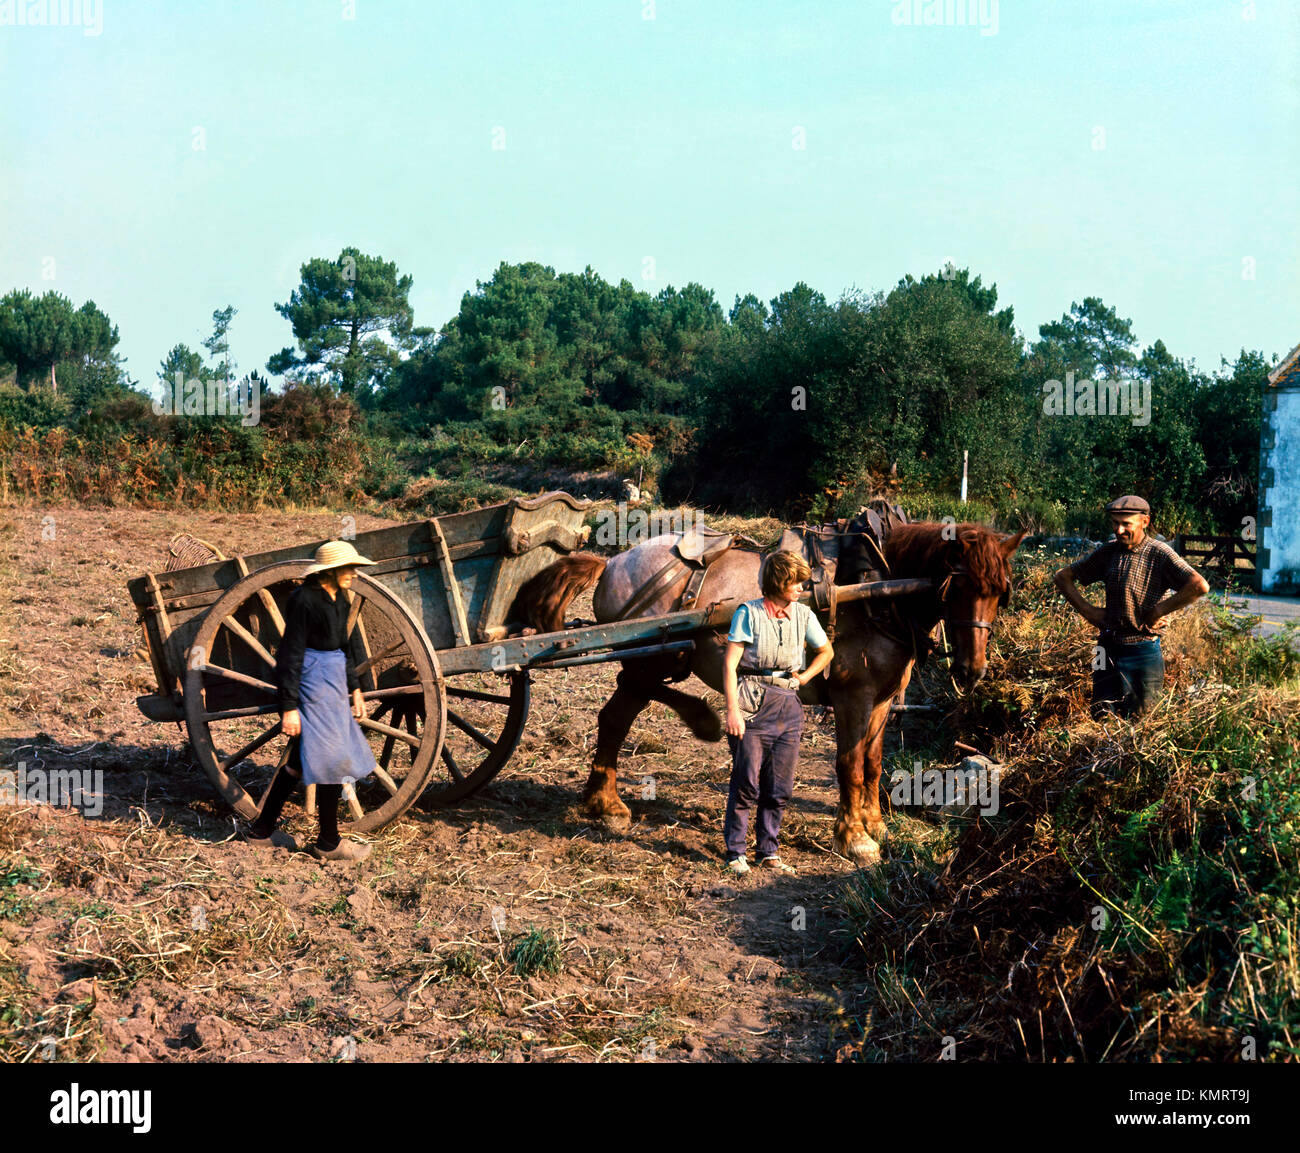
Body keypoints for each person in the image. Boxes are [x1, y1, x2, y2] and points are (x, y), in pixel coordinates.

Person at [241, 540, 379, 861]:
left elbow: (344, 646)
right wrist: (289, 707)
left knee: (299, 763)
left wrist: (355, 688)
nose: (354, 574)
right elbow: (290, 653)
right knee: (329, 759)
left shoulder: (339, 598)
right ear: (329, 571)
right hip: (312, 681)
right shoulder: (305, 600)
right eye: (349, 568)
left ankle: (261, 832)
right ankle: (328, 843)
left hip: (332, 681)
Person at [721, 550, 834, 876]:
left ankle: (768, 852)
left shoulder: (803, 615)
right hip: (754, 701)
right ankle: (735, 853)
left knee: (780, 787)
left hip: (788, 704)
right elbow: (729, 665)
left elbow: (826, 651)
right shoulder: (749, 613)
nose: (801, 587)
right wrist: (733, 712)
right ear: (778, 582)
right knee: (747, 782)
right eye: (795, 581)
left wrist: (804, 677)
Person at [1054, 495, 1209, 717]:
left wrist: (1159, 610)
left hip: (1143, 651)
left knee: (1143, 722)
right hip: (1104, 649)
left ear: (1145, 522)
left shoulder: (1159, 553)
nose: (1119, 531)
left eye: (1126, 524)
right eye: (1115, 523)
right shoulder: (1108, 552)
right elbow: (1062, 577)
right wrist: (1088, 611)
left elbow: (1199, 586)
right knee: (1100, 716)